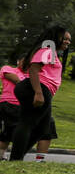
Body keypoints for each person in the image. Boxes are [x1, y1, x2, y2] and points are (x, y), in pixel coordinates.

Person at [6, 26, 71, 162]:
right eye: (64, 39)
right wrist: (38, 92)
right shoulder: (47, 50)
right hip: (36, 88)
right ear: (54, 38)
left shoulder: (52, 53)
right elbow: (33, 70)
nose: (67, 42)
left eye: (69, 40)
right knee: (27, 122)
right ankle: (15, 159)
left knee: (42, 128)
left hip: (40, 89)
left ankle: (17, 156)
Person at [0, 55, 23, 159]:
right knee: (8, 130)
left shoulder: (32, 75)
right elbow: (17, 82)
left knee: (9, 132)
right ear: (18, 61)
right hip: (7, 104)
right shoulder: (8, 69)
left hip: (22, 107)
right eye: (24, 60)